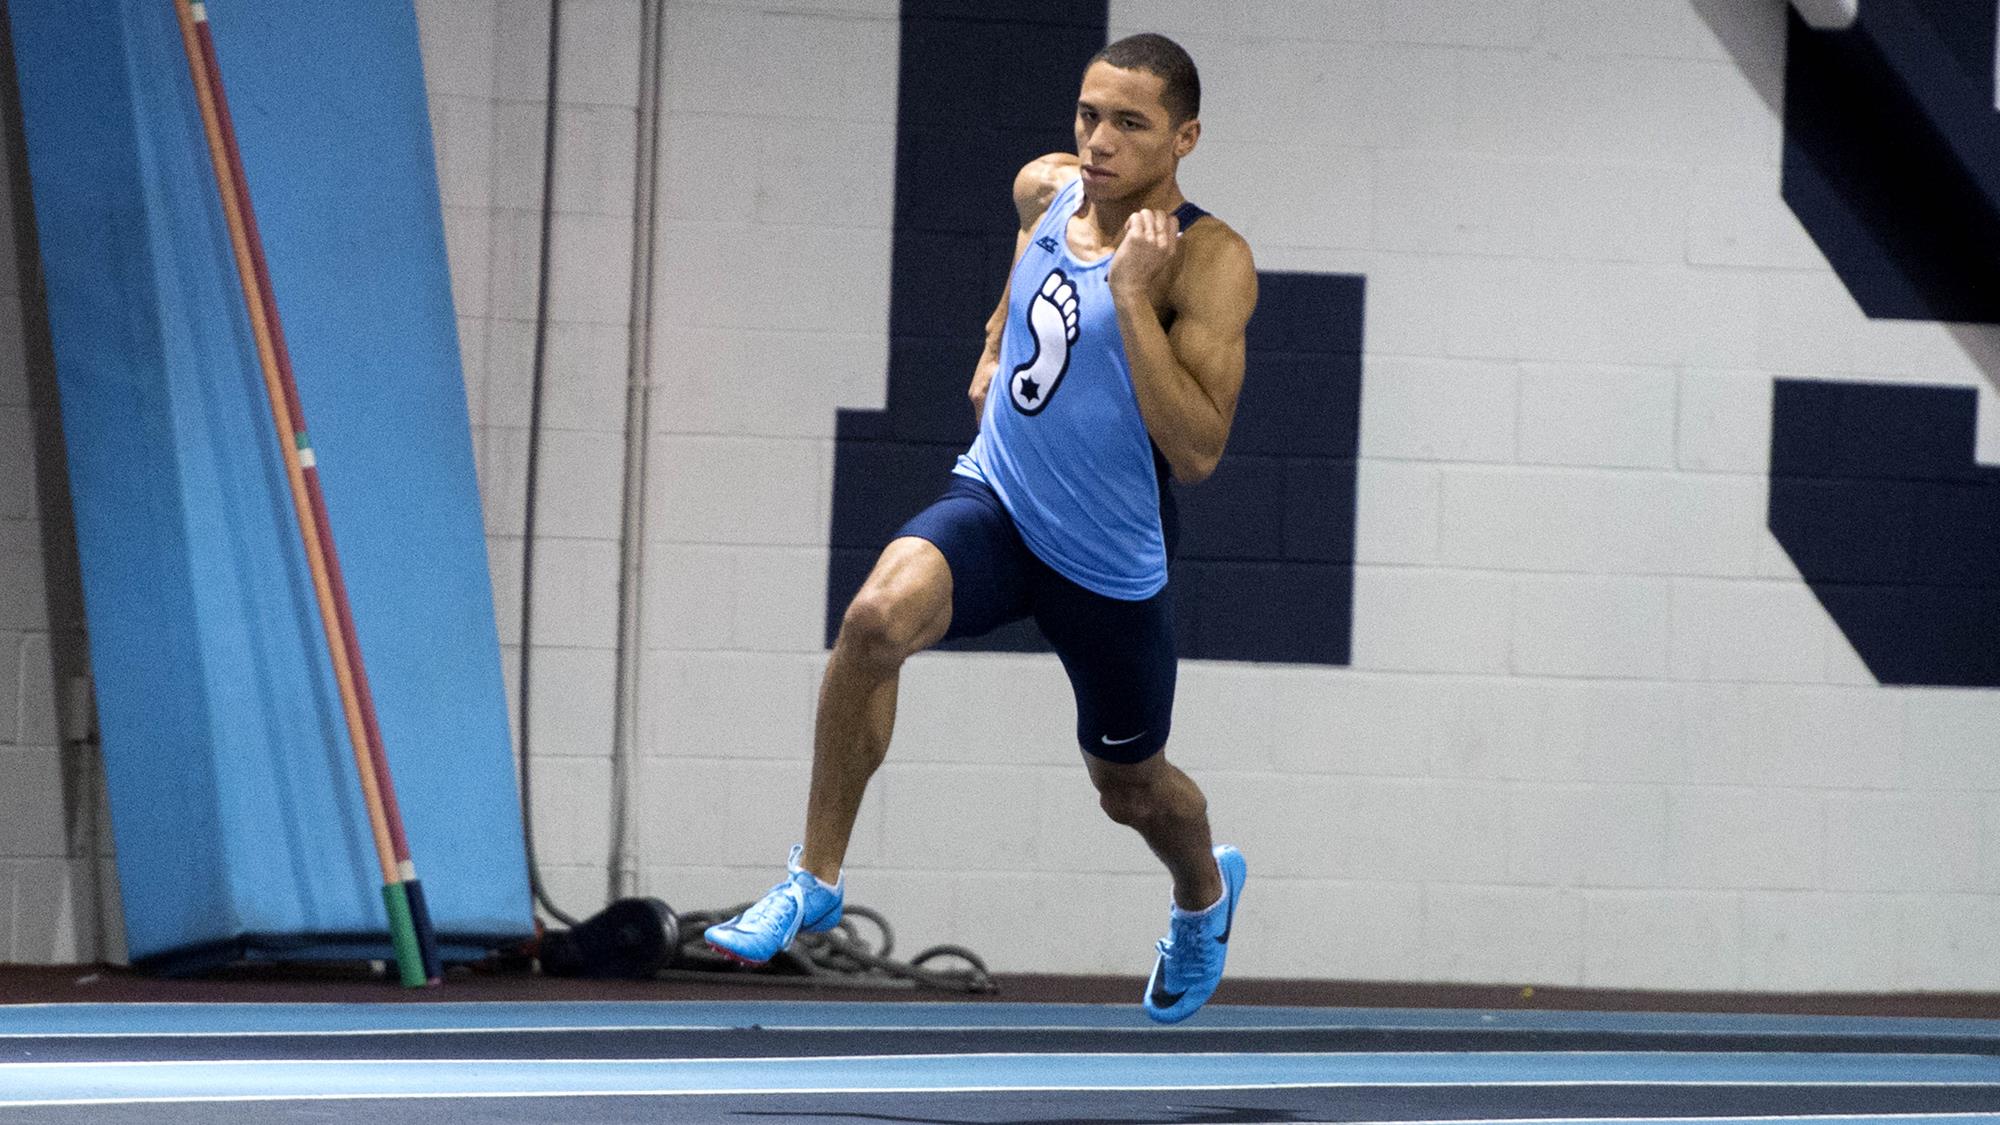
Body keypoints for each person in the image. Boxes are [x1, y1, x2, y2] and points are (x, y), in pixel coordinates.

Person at [705, 32, 1259, 1024]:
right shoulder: (1042, 188)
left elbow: (1198, 452)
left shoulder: (1207, 262)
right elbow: (1029, 257)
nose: (1097, 141)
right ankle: (814, 877)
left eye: (1129, 124)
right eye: (1088, 115)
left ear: (1184, 139)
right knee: (874, 619)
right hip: (998, 503)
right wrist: (996, 337)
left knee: (1130, 790)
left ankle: (1200, 897)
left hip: (1105, 561)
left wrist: (1131, 299)